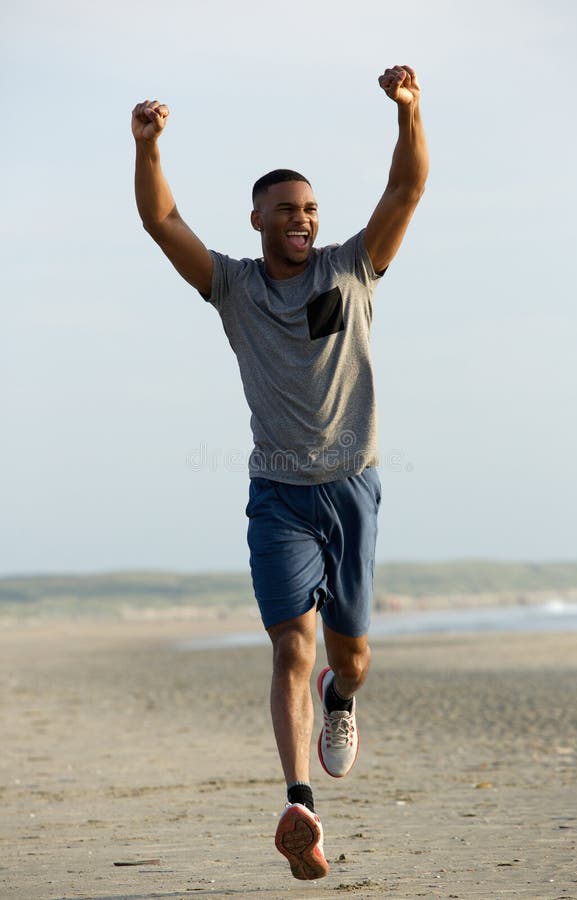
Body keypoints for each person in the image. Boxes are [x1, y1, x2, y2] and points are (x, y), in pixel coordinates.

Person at [132, 64, 429, 881]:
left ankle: (344, 701)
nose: (301, 221)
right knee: (290, 647)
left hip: (353, 488)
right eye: (286, 210)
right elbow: (162, 221)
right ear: (257, 217)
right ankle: (300, 801)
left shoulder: (351, 269)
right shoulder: (233, 286)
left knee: (349, 658)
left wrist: (410, 111)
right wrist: (148, 146)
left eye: (310, 210)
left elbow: (405, 191)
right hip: (279, 500)